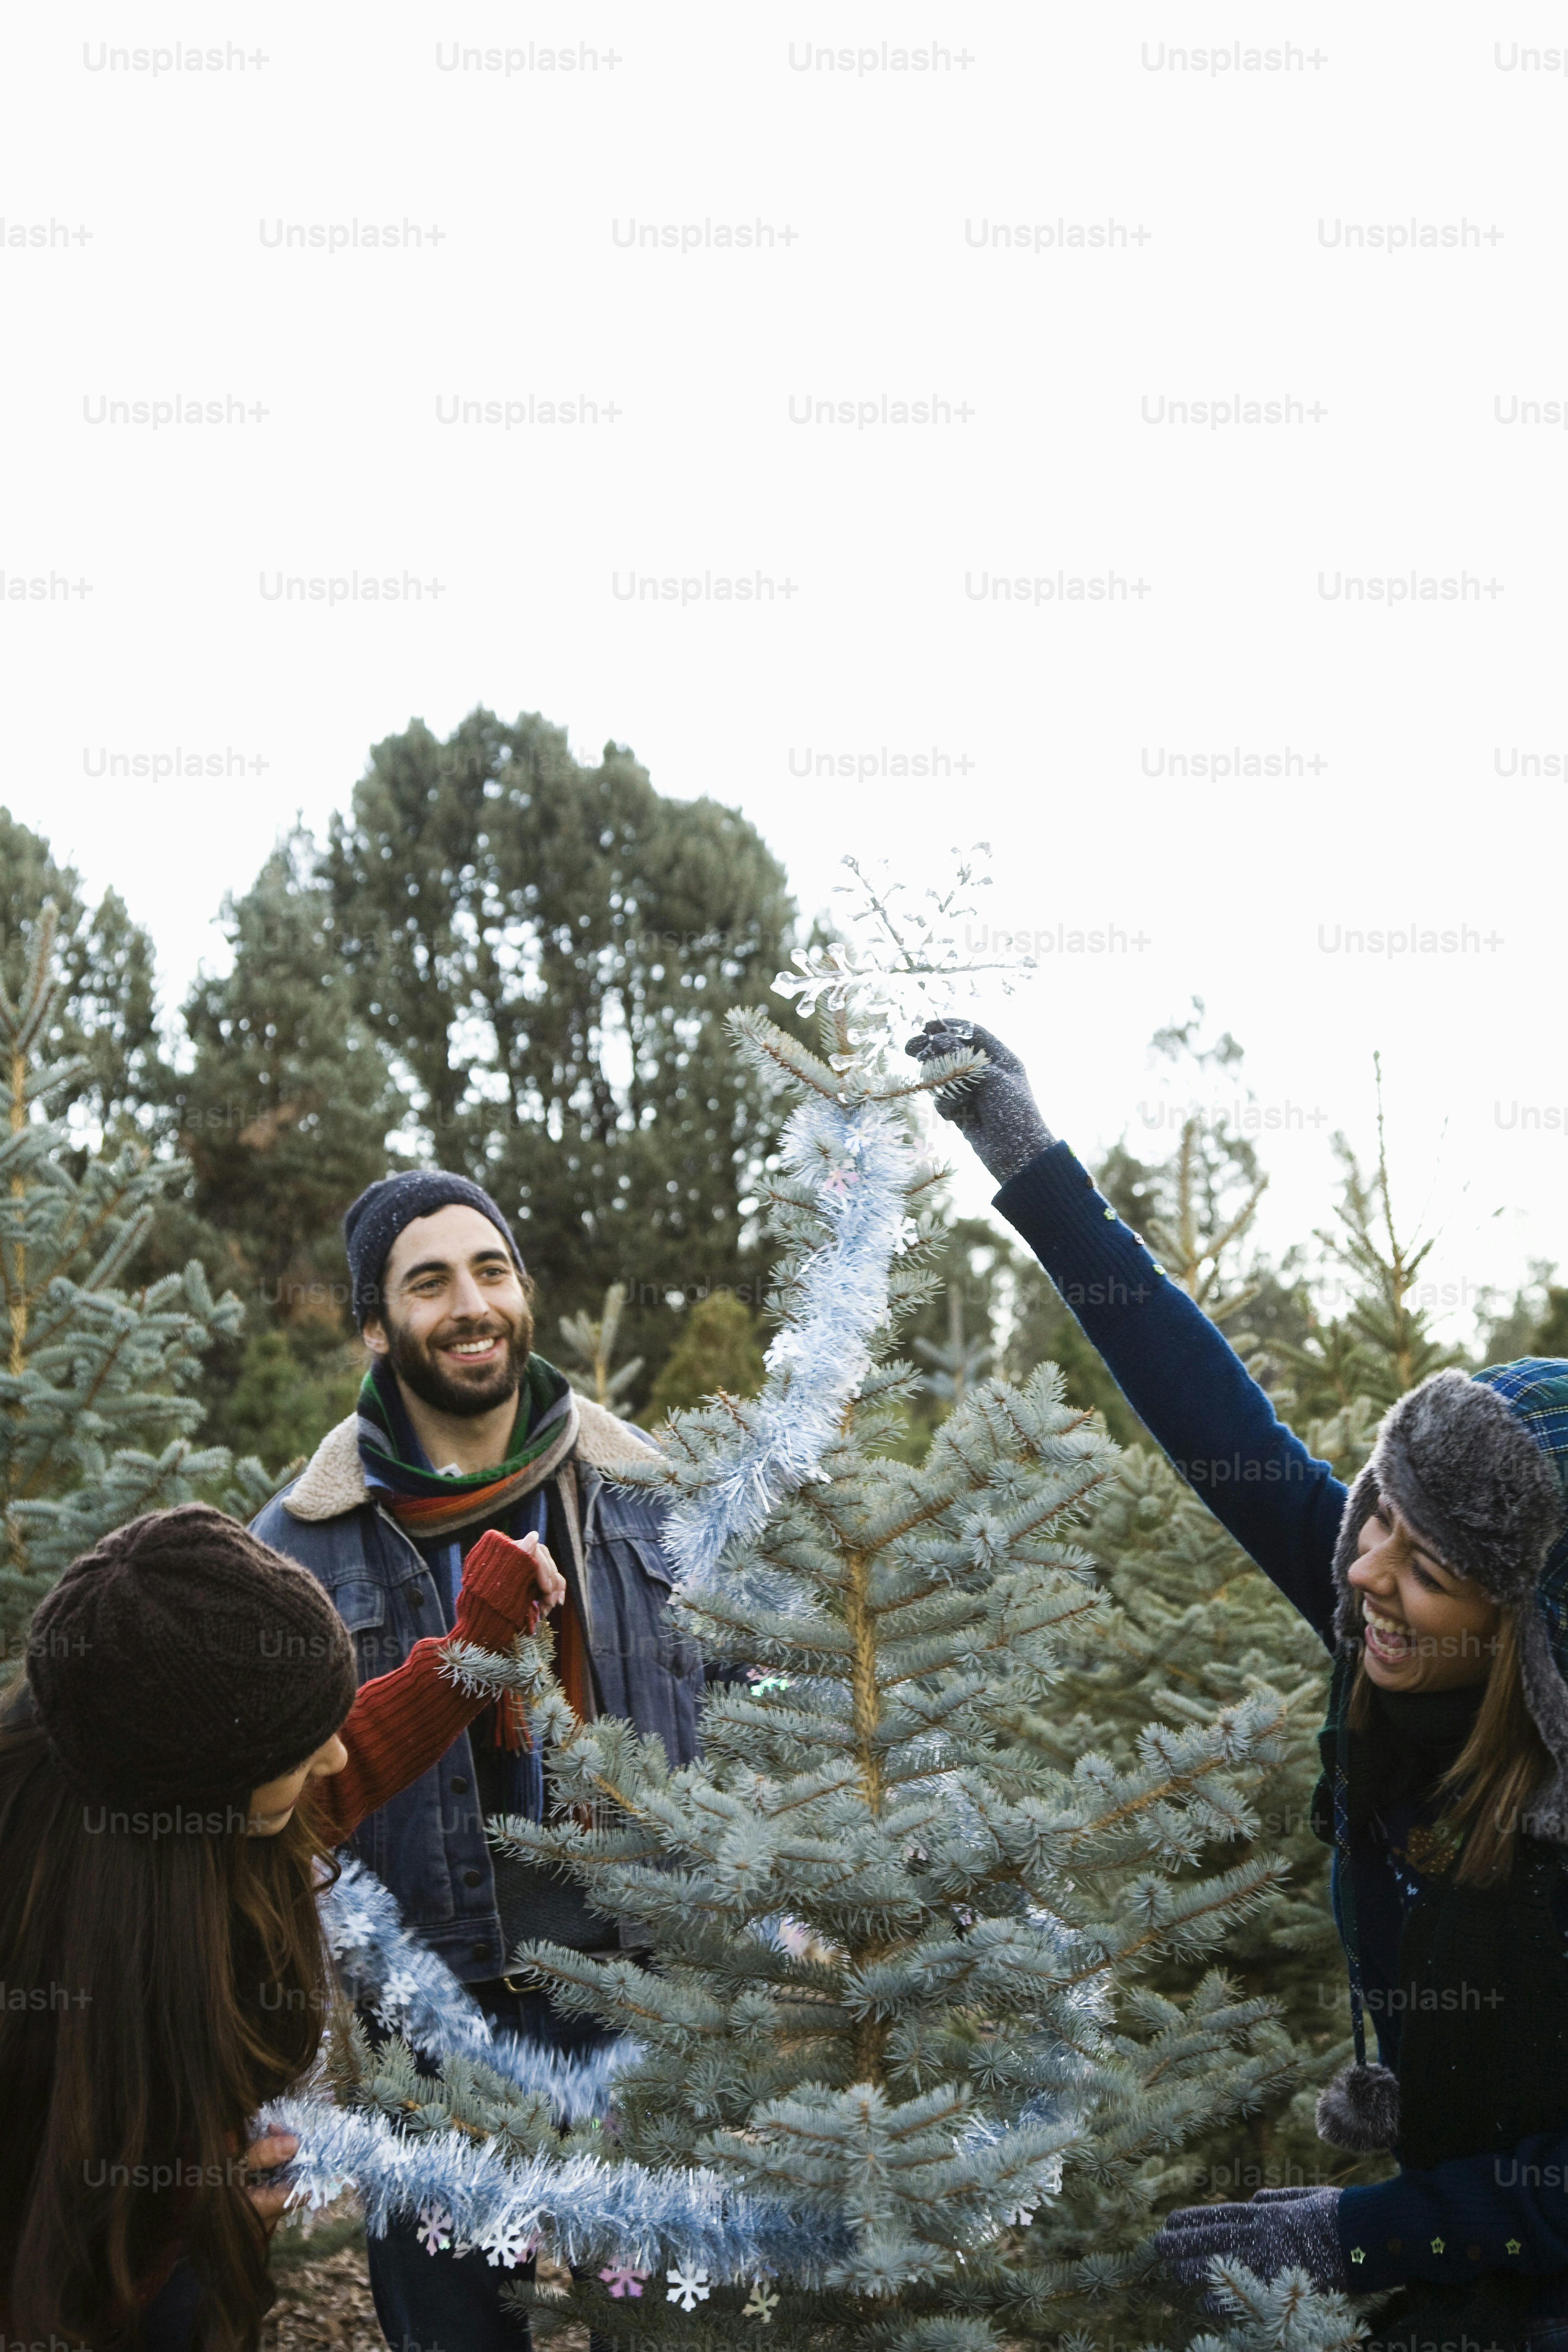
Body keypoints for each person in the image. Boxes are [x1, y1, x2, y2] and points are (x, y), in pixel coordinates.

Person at [907, 1018, 1568, 2352]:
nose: (1364, 1570)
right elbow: (1205, 1403)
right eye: (1377, 1513)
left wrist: (1354, 2229)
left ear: (1525, 1630)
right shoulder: (1373, 1621)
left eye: (1426, 1564)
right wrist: (1028, 1161)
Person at [251, 1170, 702, 2349]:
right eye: (429, 1281)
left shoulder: (652, 1497)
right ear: (374, 1325)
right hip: (429, 2025)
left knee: (658, 2326)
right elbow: (267, 1807)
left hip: (634, 1996)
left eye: (490, 1269)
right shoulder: (296, 1545)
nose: (470, 1303)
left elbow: (756, 1693)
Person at [0, 1501, 559, 2351]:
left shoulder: (195, 1810)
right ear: (201, 1789)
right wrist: (175, 2222)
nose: (335, 1755)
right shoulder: (43, 1933)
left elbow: (360, 1747)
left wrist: (477, 1643)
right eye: (303, 1746)